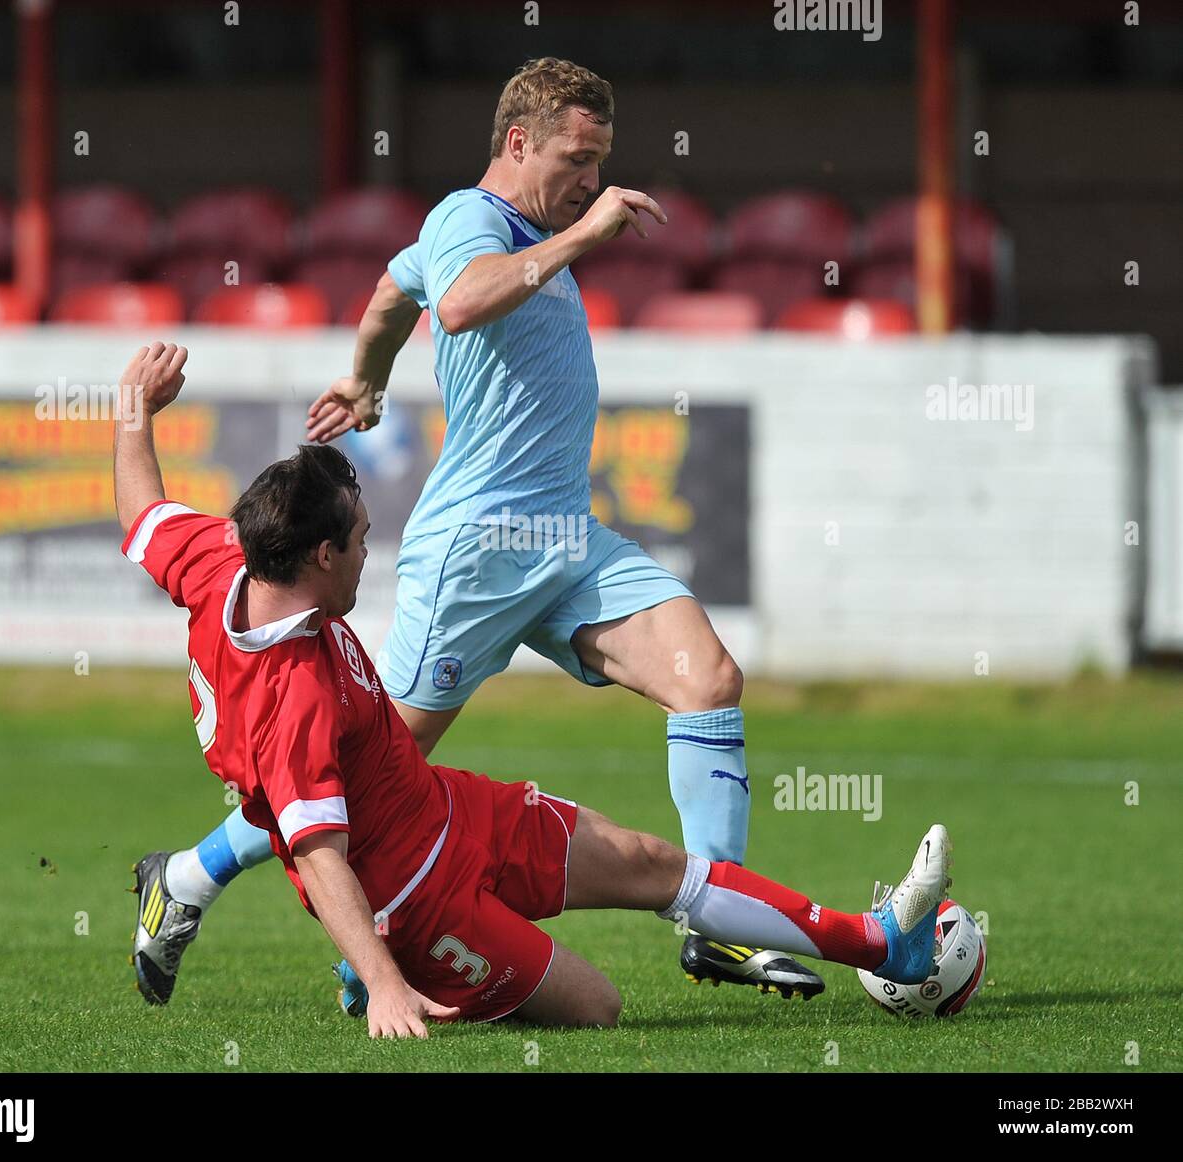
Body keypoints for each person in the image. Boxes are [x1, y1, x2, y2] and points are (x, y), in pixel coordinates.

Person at [134, 57, 811, 1008]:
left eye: (603, 161)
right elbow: (453, 299)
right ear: (520, 142)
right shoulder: (473, 221)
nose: (592, 177)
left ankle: (720, 928)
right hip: (480, 551)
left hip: (566, 542)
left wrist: (366, 376)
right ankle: (195, 879)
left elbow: (394, 293)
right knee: (373, 760)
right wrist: (582, 232)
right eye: (579, 157)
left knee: (708, 679)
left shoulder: (504, 231)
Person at [117, 342, 953, 1037]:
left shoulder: (222, 558)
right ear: (321, 557)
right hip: (415, 901)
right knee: (599, 1008)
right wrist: (381, 980)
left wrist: (132, 405)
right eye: (364, 541)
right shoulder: (292, 691)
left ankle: (887, 947)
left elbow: (140, 513)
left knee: (650, 860)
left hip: (451, 811)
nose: (374, 555)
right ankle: (405, 974)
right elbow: (319, 857)